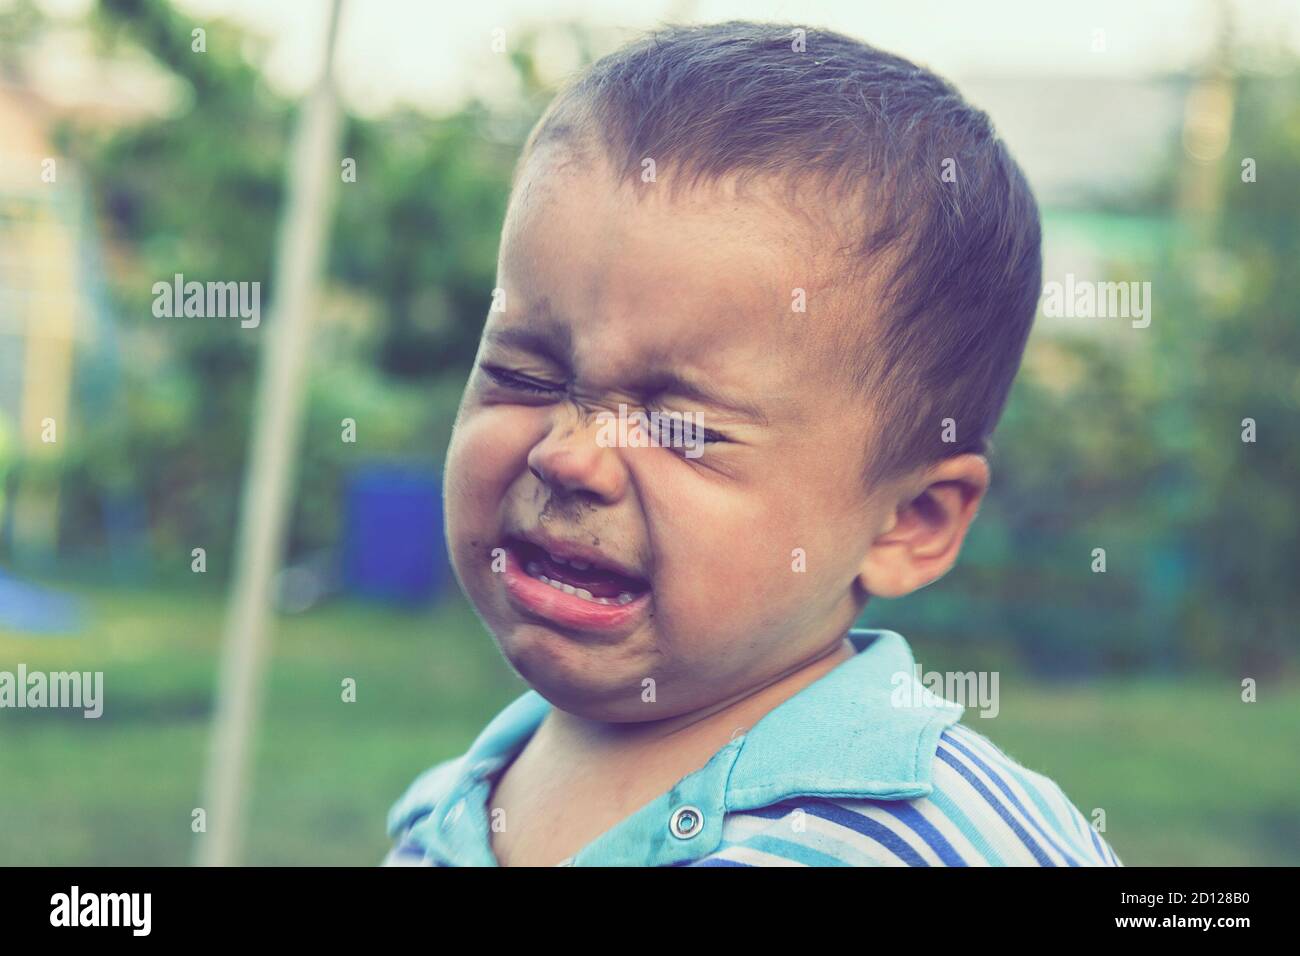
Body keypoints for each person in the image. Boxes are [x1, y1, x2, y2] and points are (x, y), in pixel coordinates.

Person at [385, 21, 1122, 867]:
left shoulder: (948, 840)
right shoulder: (446, 810)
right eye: (526, 375)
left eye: (680, 426)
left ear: (908, 522)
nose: (568, 455)